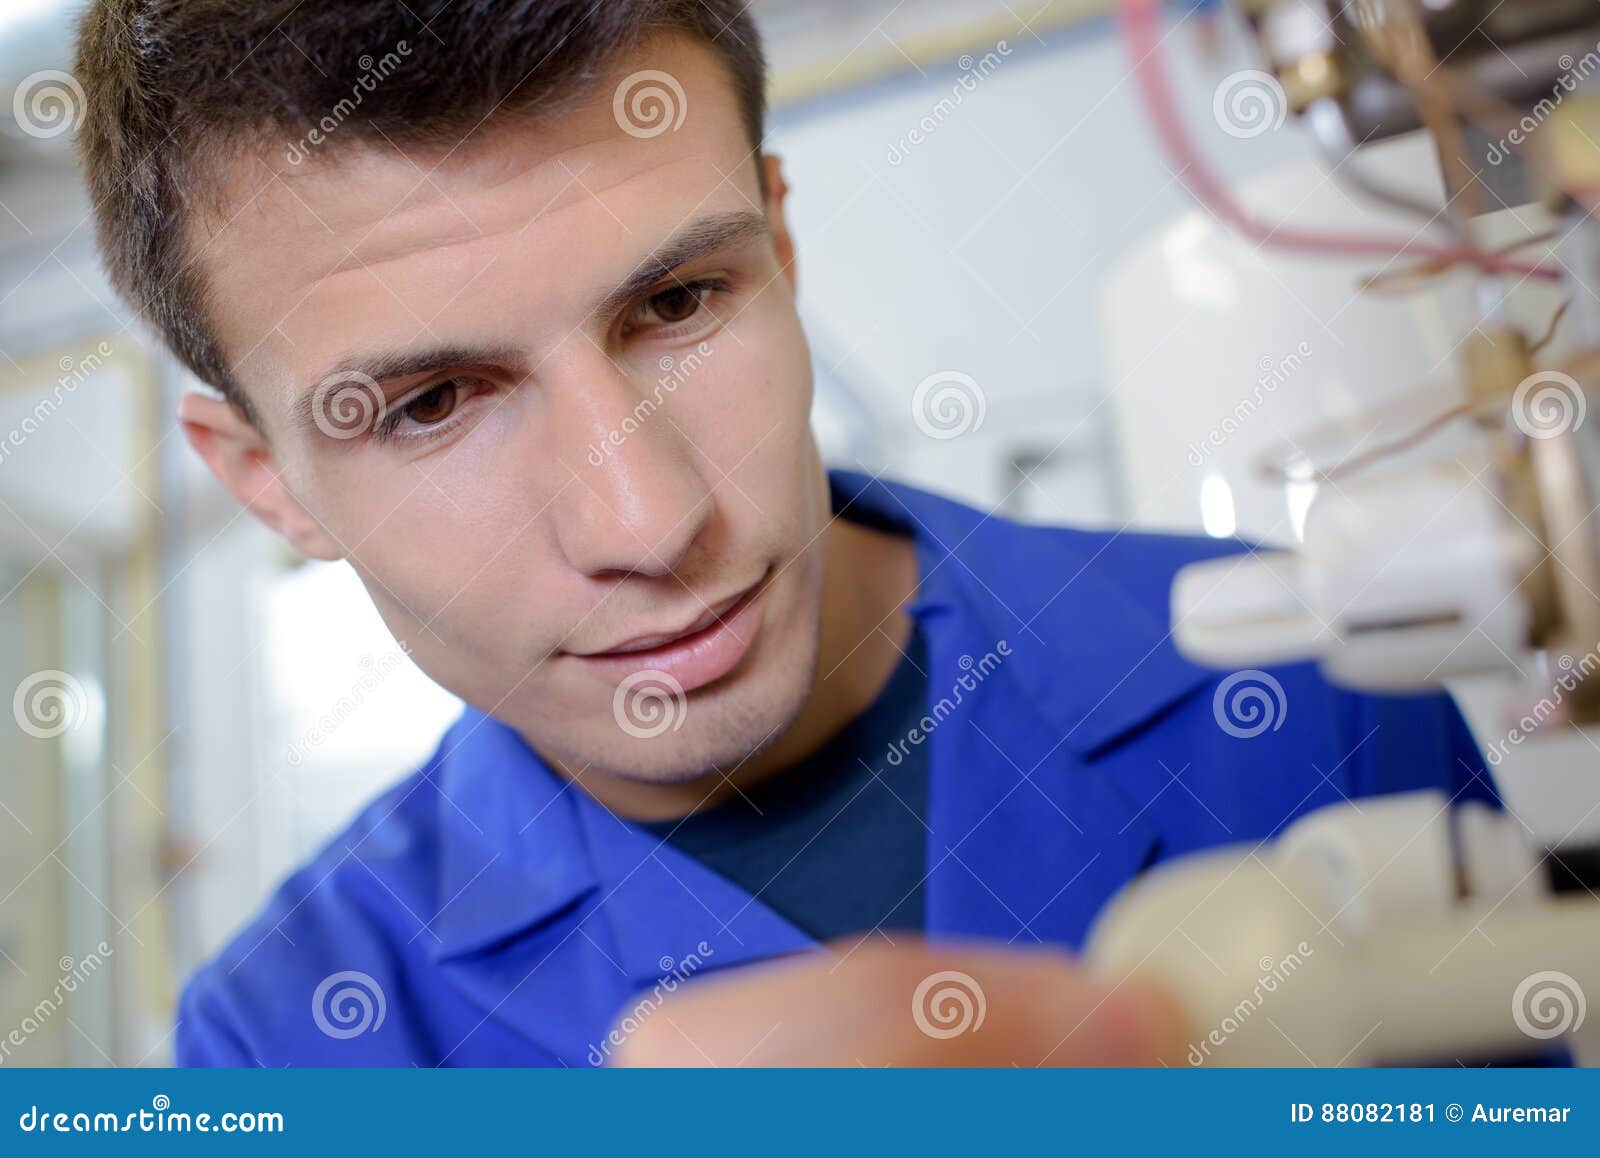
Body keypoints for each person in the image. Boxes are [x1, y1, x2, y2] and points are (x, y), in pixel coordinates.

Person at [75, 0, 1492, 1067]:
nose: (652, 518)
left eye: (679, 303)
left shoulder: (1317, 679)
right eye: (435, 401)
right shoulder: (295, 1042)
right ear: (268, 482)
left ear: (782, 251)